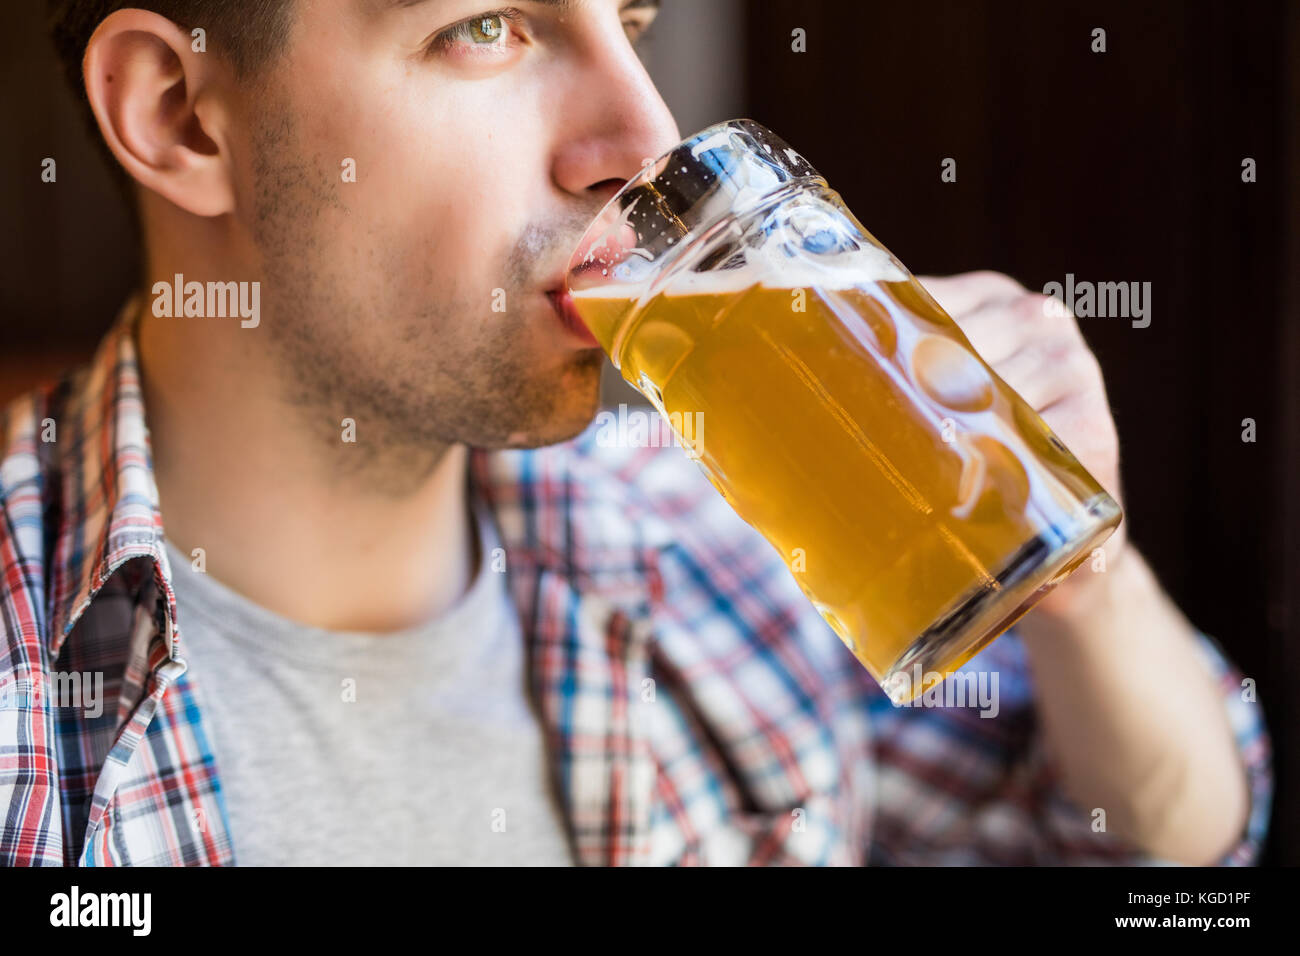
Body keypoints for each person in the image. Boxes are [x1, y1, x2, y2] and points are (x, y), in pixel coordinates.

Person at [0, 0, 1270, 866]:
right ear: (179, 114)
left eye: (632, 20)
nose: (647, 142)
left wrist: (1074, 582)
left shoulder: (711, 530)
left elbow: (1150, 844)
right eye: (487, 28)